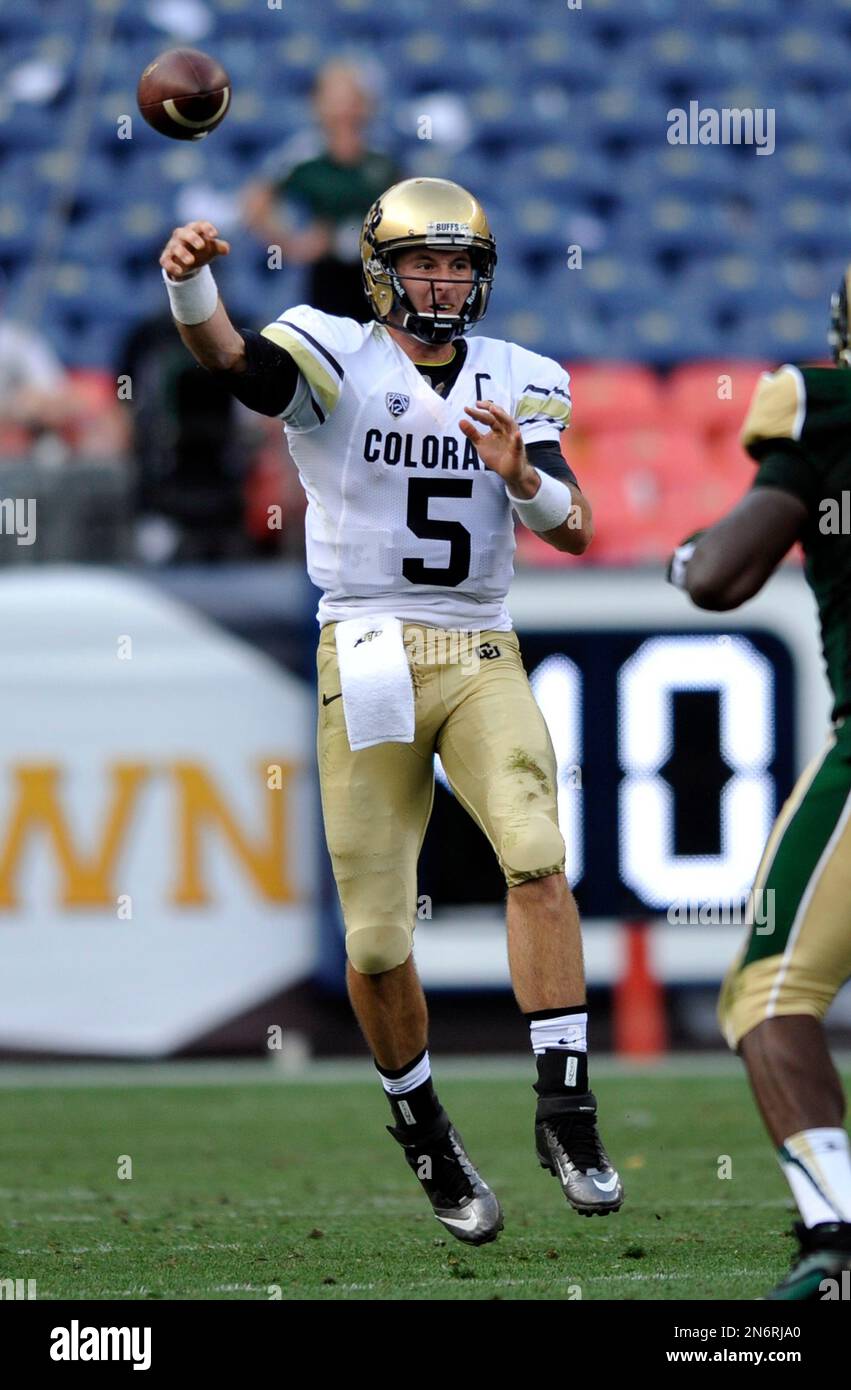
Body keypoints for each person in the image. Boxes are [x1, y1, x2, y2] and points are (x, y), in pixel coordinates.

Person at [158, 176, 622, 1245]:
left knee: (536, 852)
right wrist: (192, 290)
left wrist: (522, 479)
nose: (447, 281)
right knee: (373, 938)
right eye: (427, 262)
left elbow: (577, 525)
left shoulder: (519, 378)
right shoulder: (335, 351)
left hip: (476, 642)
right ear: (381, 270)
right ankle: (422, 1129)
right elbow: (238, 363)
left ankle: (565, 1107)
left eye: (462, 264)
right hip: (363, 642)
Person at [668, 267, 851, 1298]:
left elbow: (719, 577)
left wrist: (688, 554)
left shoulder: (820, 405)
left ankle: (833, 1241)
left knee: (769, 992)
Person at [241, 61, 400, 322]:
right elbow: (255, 203)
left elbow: (411, 206)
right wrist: (292, 243)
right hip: (325, 273)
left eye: (351, 99)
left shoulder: (383, 157)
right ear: (318, 104)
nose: (344, 110)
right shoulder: (304, 155)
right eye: (335, 100)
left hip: (376, 274)